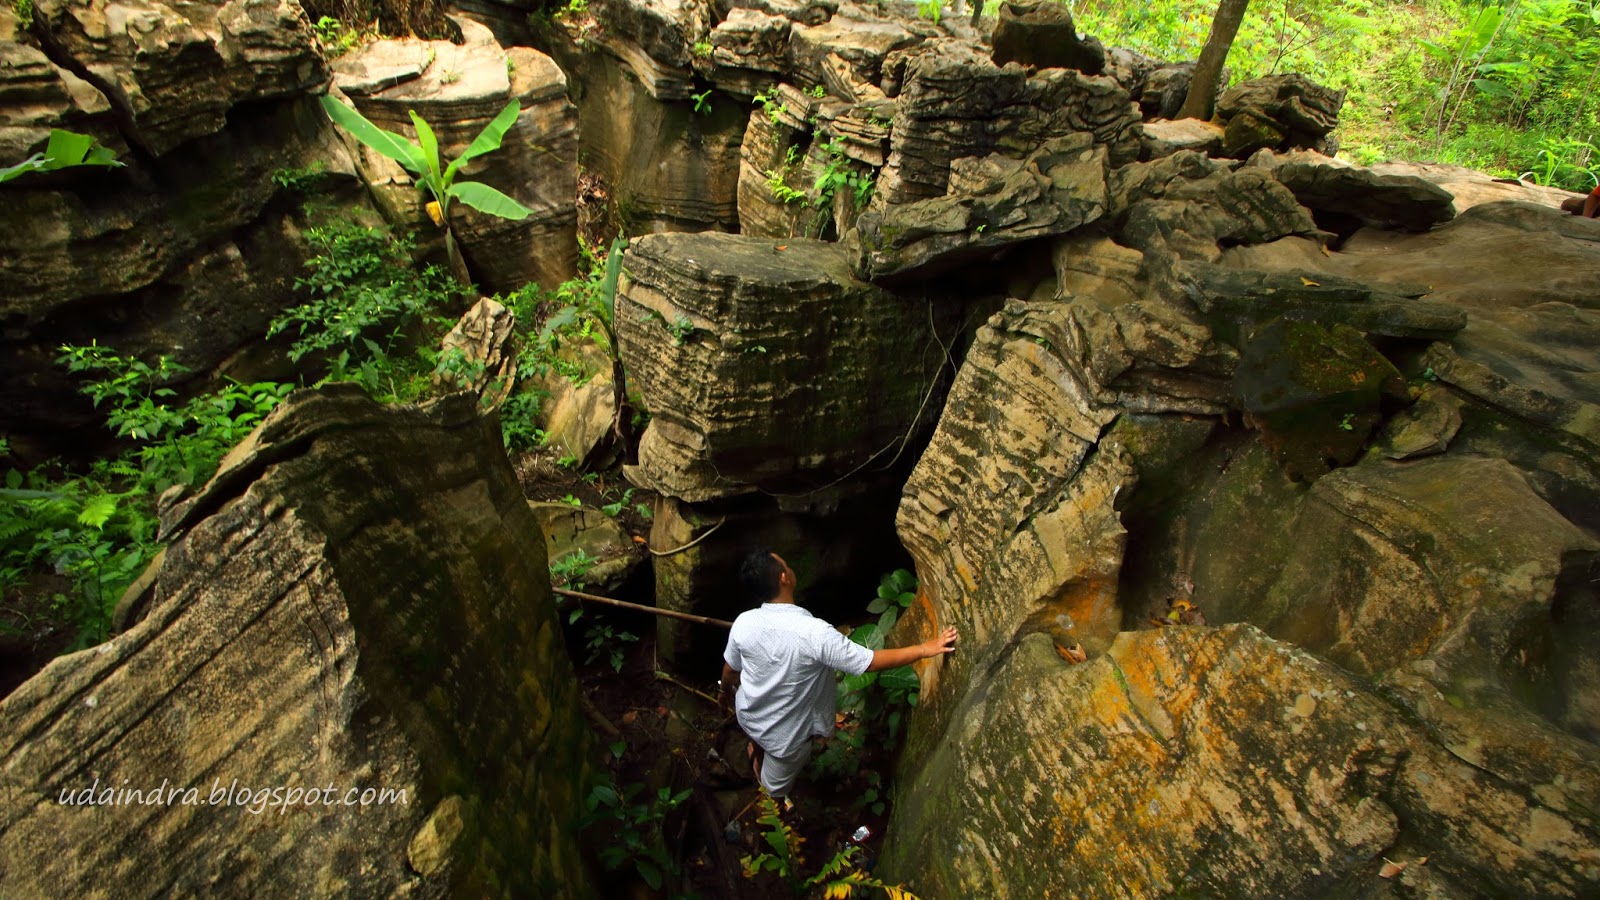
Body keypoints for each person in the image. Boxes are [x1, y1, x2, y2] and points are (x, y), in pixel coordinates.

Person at [719, 549, 958, 799]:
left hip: (748, 713)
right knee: (772, 787)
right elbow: (869, 662)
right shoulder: (814, 633)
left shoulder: (743, 622)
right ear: (784, 578)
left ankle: (755, 753)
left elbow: (729, 670)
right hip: (784, 739)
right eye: (786, 565)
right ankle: (767, 793)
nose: (790, 568)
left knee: (757, 740)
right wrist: (924, 648)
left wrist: (724, 693)